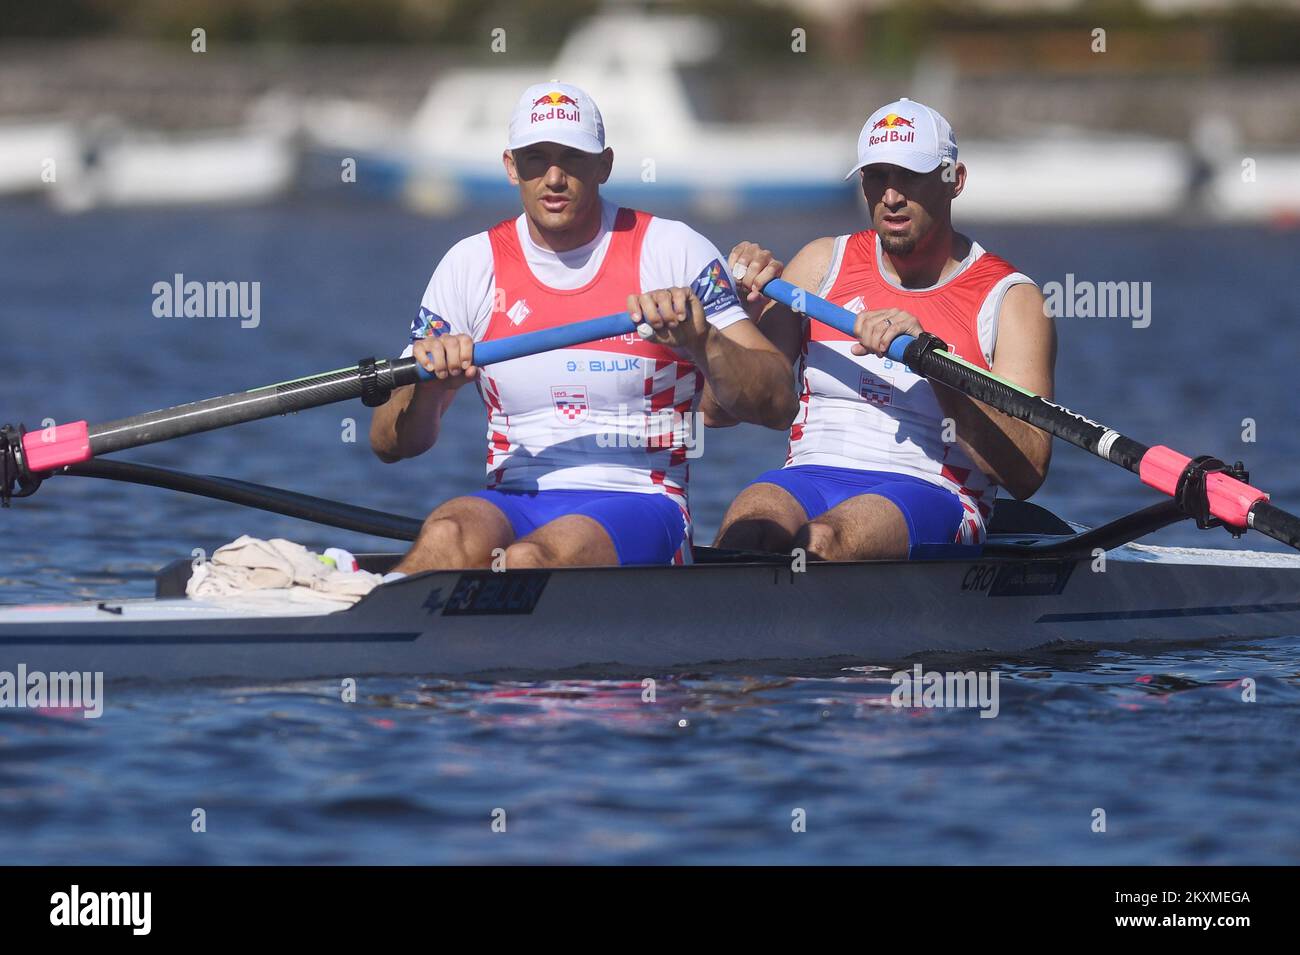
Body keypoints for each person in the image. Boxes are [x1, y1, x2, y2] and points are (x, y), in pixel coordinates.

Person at [370, 82, 795, 573]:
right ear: (511, 166)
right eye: (536, 158)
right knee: (446, 533)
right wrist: (429, 389)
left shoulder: (673, 250)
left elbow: (779, 403)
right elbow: (390, 444)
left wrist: (702, 340)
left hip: (642, 501)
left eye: (572, 158)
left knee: (530, 559)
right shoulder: (470, 264)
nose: (553, 177)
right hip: (514, 497)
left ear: (604, 165)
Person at [712, 98, 1056, 560]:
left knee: (823, 542)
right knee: (746, 533)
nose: (891, 197)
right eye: (876, 178)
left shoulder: (1012, 300)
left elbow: (1027, 472)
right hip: (809, 475)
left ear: (954, 180)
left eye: (909, 177)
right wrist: (733, 318)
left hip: (935, 491)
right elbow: (720, 412)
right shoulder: (819, 265)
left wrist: (934, 363)